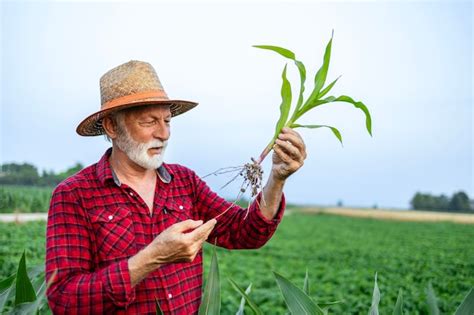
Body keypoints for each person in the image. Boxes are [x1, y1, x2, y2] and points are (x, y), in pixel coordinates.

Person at [45, 60, 307, 314]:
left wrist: (277, 178)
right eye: (149, 122)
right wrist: (151, 258)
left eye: (167, 121)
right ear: (113, 126)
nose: (164, 133)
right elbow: (65, 300)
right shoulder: (74, 195)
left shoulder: (185, 182)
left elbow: (245, 231)